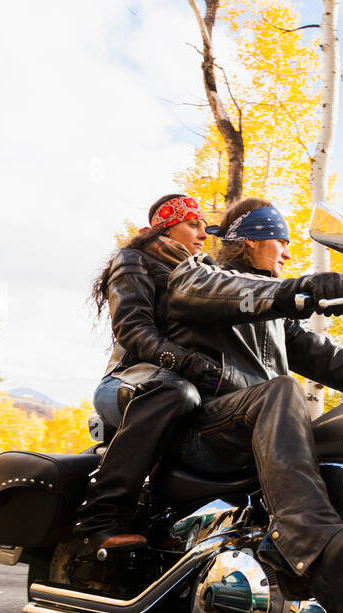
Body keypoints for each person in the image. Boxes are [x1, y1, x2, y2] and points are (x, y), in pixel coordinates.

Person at [163, 199, 343, 613]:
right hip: (203, 430)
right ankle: (314, 550)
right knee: (282, 390)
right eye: (278, 240)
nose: (286, 250)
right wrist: (303, 289)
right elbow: (219, 293)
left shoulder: (276, 315)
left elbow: (331, 361)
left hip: (252, 429)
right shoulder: (203, 277)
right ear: (248, 242)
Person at [74, 193, 224, 551]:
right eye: (193, 225)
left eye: (205, 228)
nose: (203, 235)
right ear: (165, 226)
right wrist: (186, 362)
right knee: (175, 393)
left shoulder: (203, 274)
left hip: (184, 388)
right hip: (128, 383)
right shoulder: (133, 261)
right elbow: (133, 330)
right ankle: (100, 517)